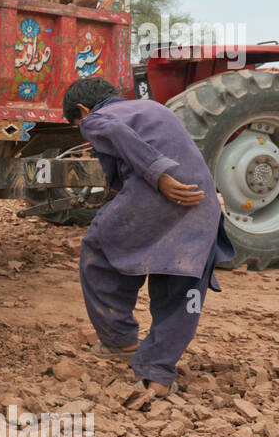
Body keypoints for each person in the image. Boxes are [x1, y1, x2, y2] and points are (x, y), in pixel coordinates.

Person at [63, 76, 233, 408]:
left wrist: (159, 176)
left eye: (76, 124)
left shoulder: (97, 117)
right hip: (203, 205)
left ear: (82, 110)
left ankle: (118, 339)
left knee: (99, 251)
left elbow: (113, 133)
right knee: (180, 285)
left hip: (160, 193)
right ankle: (157, 372)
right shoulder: (153, 107)